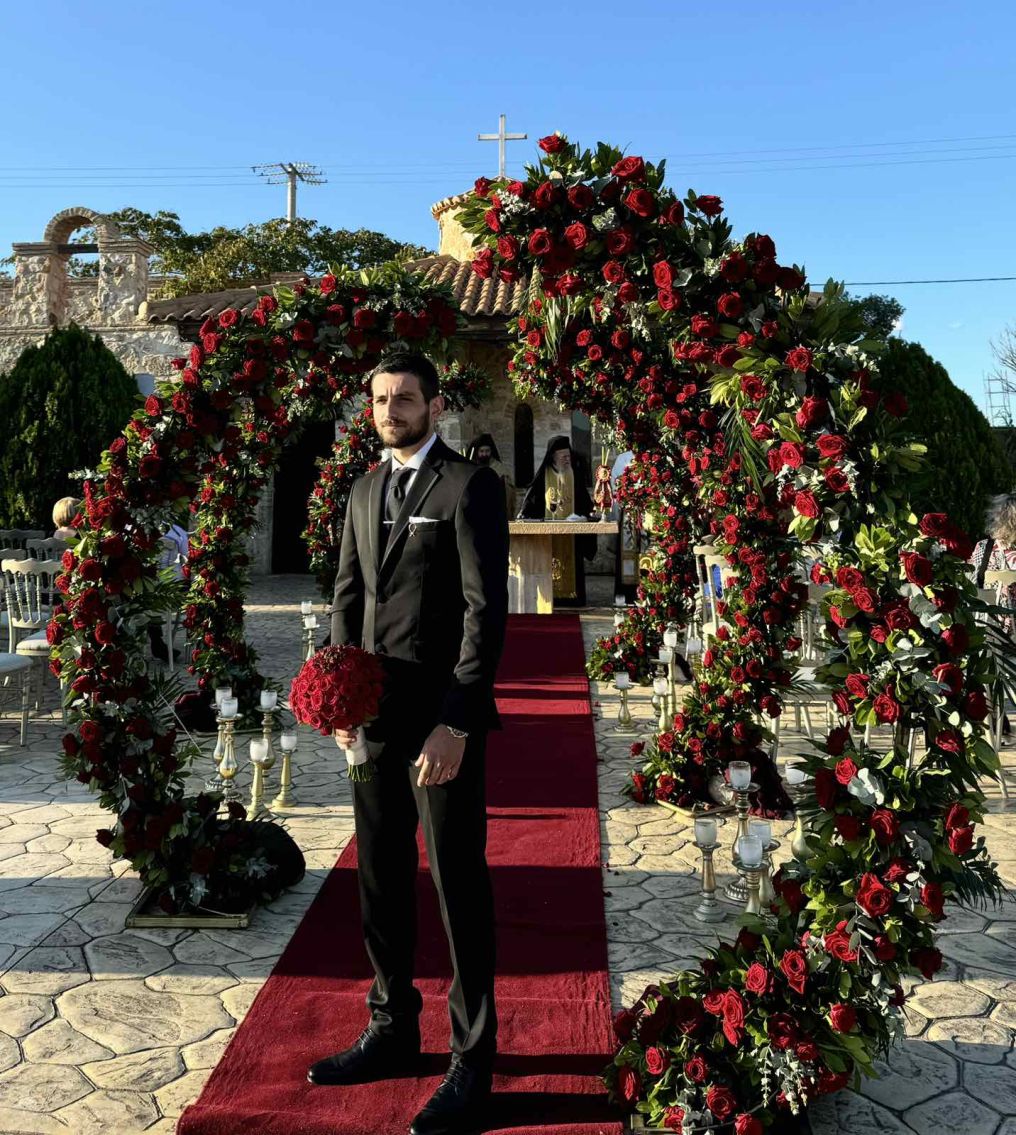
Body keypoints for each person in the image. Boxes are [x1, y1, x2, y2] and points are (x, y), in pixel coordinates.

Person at [314, 352, 509, 1135]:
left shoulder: (468, 486)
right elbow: (345, 598)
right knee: (382, 877)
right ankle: (393, 1029)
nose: (390, 409)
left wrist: (457, 720)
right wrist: (337, 695)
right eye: (380, 399)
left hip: (439, 724)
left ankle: (473, 1058)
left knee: (457, 883)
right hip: (371, 720)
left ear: (433, 404)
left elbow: (483, 611)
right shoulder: (362, 489)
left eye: (404, 398)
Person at [518, 435, 595, 606]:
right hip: (549, 536)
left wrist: (586, 515)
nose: (568, 459)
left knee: (572, 563)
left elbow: (584, 501)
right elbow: (531, 500)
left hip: (571, 534)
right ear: (553, 456)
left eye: (569, 456)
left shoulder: (575, 473)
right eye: (563, 457)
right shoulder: (543, 475)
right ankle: (552, 598)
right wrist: (525, 513)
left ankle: (573, 599)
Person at [148, 523, 189, 662]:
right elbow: (187, 557)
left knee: (148, 597)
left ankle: (156, 640)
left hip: (145, 596)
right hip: (172, 594)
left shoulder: (135, 530)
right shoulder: (178, 531)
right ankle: (158, 643)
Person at [466, 433, 515, 515]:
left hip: (494, 511)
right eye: (481, 451)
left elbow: (508, 492)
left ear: (491, 452)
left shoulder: (500, 468)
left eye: (487, 451)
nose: (484, 454)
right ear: (477, 452)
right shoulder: (470, 467)